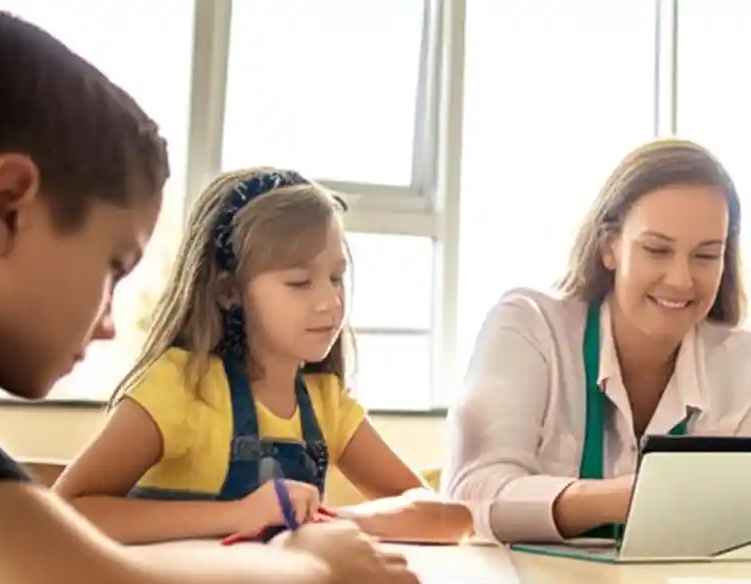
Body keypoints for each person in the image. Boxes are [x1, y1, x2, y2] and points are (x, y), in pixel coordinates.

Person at [0, 11, 424, 584]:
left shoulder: (325, 397)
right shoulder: (180, 385)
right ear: (8, 206)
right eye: (112, 265)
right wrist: (312, 566)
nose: (110, 324)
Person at [53, 166, 473, 545]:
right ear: (229, 291)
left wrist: (329, 522)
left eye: (335, 277)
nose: (330, 302)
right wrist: (237, 515)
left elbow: (450, 518)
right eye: (299, 282)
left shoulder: (326, 402)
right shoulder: (181, 386)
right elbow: (68, 510)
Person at [444, 139, 751, 542]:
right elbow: (470, 499)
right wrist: (627, 497)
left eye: (706, 255)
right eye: (657, 250)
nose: (680, 279)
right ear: (610, 247)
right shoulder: (529, 327)